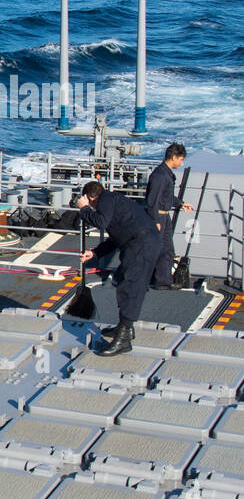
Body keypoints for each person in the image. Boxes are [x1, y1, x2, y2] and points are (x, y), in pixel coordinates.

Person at [77, 180, 162, 356]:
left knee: (130, 287)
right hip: (140, 243)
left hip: (141, 245)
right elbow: (116, 237)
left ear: (91, 197)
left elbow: (100, 222)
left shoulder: (106, 199)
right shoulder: (115, 202)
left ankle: (123, 340)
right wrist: (95, 253)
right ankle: (125, 329)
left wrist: (83, 208)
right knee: (124, 280)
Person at [144, 142, 195, 289]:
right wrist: (154, 220)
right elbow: (153, 199)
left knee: (166, 249)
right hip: (159, 216)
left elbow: (166, 197)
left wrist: (181, 203)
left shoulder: (164, 174)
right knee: (161, 248)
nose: (181, 162)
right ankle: (158, 280)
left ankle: (162, 280)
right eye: (180, 159)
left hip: (163, 216)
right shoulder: (160, 176)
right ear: (174, 157)